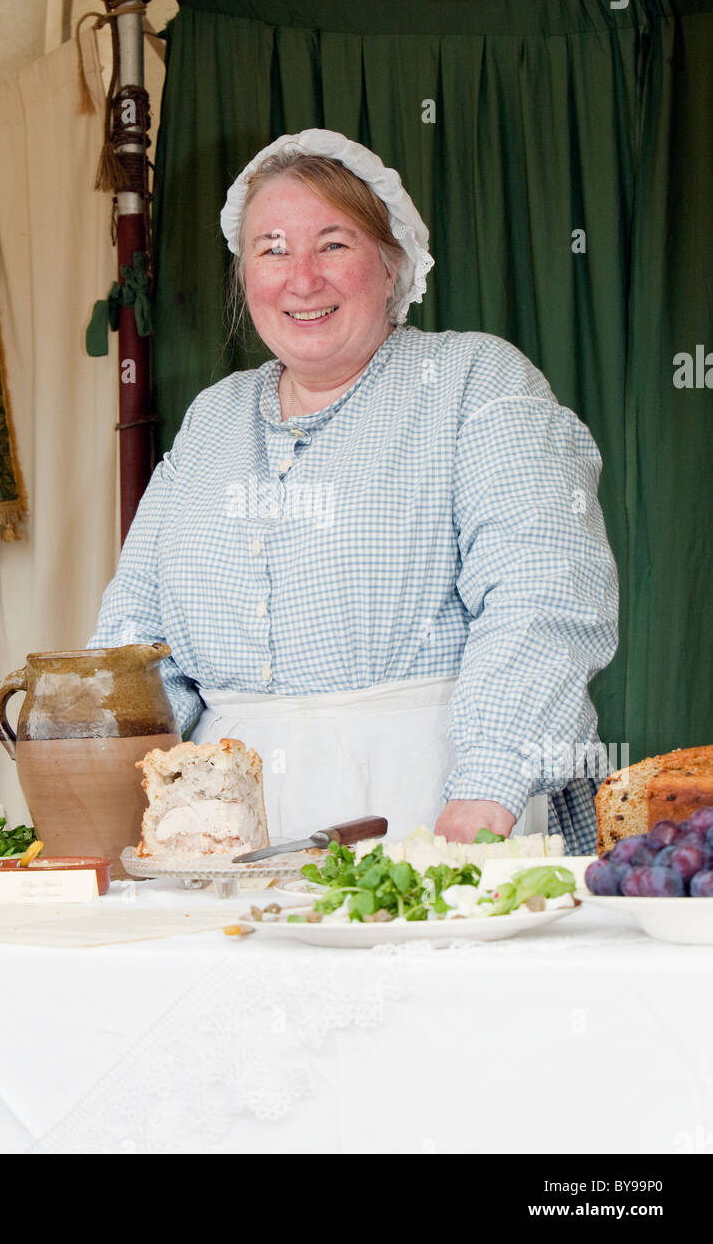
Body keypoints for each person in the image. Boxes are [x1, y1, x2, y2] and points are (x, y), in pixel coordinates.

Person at [88, 128, 618, 854]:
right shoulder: (214, 420)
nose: (301, 278)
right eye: (272, 249)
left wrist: (488, 785)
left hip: (435, 806)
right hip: (224, 832)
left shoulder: (474, 383)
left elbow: (543, 593)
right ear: (246, 275)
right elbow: (138, 642)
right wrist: (99, 780)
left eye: (333, 244)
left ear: (393, 264)